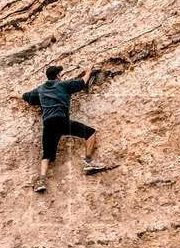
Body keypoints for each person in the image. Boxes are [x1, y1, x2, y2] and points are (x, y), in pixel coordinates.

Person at [21, 63, 112, 193]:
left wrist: (15, 95)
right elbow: (82, 82)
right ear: (58, 76)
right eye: (60, 74)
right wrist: (88, 71)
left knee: (47, 154)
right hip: (61, 121)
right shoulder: (63, 85)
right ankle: (88, 161)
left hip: (48, 124)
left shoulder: (40, 90)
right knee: (90, 133)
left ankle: (41, 180)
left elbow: (26, 96)